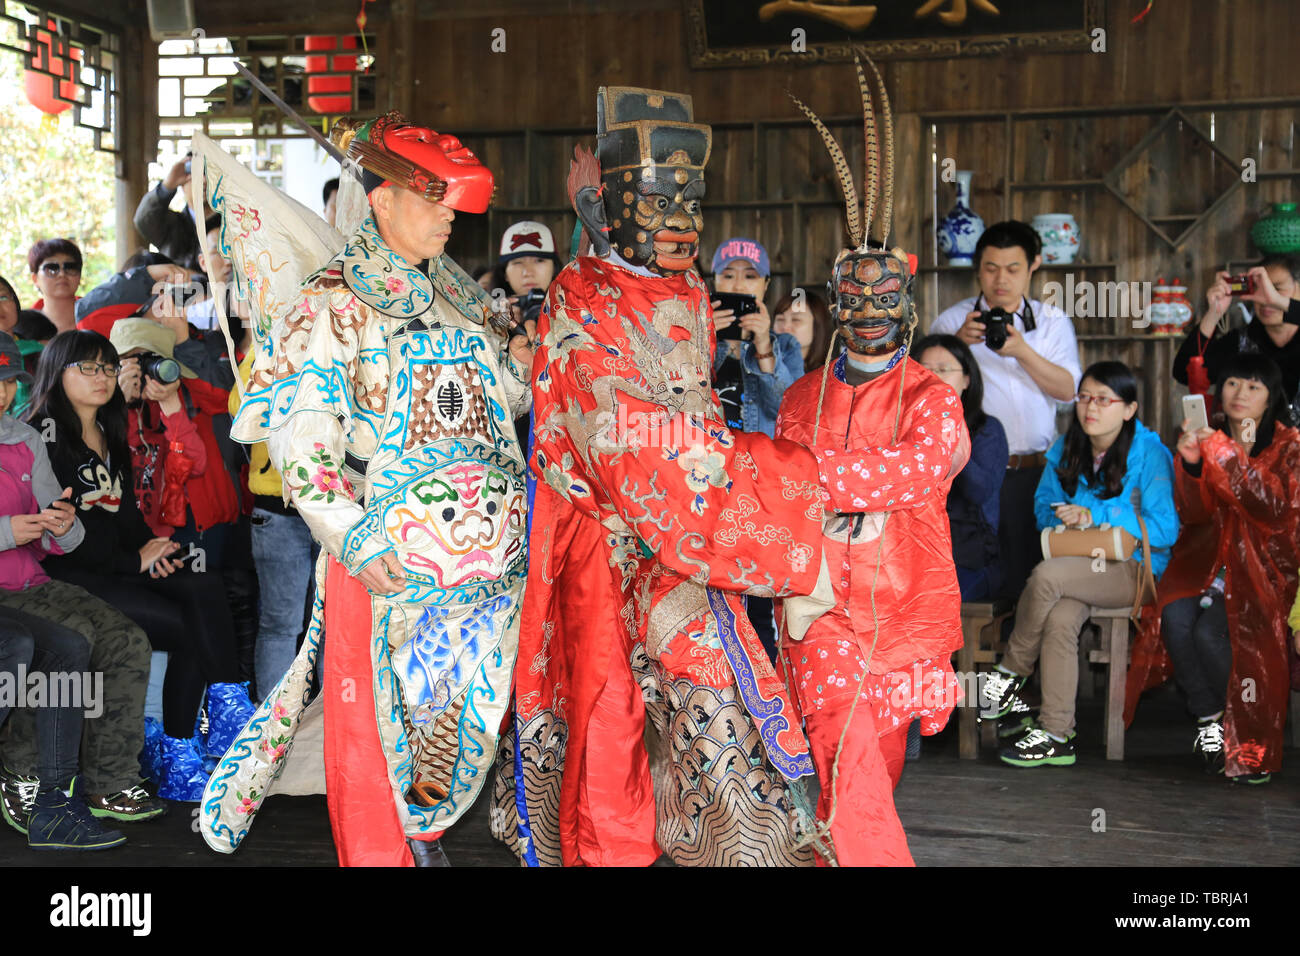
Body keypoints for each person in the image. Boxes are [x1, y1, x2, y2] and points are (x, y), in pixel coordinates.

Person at [494, 86, 910, 868]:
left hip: (690, 524)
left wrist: (740, 482)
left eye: (691, 200)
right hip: (610, 535)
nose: (681, 220)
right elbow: (622, 440)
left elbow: (691, 421)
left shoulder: (684, 287)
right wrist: (787, 481)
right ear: (613, 207)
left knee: (718, 698)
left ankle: (749, 850)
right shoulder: (580, 298)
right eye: (656, 202)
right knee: (609, 715)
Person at [199, 112, 534, 868]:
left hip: (472, 564)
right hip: (380, 551)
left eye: (454, 204)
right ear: (383, 201)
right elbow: (302, 441)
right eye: (435, 200)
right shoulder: (332, 301)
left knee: (443, 714)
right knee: (367, 718)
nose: (451, 217)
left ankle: (423, 840)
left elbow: (495, 407)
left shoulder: (456, 293)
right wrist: (350, 531)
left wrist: (518, 362)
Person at [773, 58, 967, 865]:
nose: (869, 315)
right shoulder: (799, 398)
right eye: (854, 301)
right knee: (844, 743)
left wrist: (811, 479)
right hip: (818, 607)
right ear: (832, 300)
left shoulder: (933, 397)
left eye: (885, 302)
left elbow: (923, 469)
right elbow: (770, 489)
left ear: (908, 304)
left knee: (866, 764)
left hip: (905, 609)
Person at [29, 330, 244, 798]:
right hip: (68, 576)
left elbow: (125, 515)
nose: (102, 377)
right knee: (189, 627)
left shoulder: (109, 431)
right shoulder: (42, 435)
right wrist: (135, 560)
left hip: (117, 566)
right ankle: (180, 748)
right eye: (88, 368)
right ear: (56, 371)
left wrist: (155, 550)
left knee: (200, 583)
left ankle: (226, 709)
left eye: (107, 367)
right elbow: (58, 537)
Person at [0, 331, 163, 830]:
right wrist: (9, 531)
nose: (3, 392)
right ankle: (21, 771)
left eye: (8, 381)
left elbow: (59, 536)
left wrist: (63, 526)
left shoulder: (24, 440)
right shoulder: (40, 431)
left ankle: (109, 780)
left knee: (126, 639)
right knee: (65, 644)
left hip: (31, 581)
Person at [981, 361, 1178, 765]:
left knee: (1047, 577)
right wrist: (1063, 517)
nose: (1091, 407)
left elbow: (1165, 528)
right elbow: (1043, 510)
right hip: (1077, 564)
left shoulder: (1150, 452)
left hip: (1131, 568)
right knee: (1060, 618)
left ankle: (1010, 674)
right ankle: (1056, 733)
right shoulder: (1065, 448)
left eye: (1104, 399)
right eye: (1085, 397)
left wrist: (1096, 516)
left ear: (1129, 409)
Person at [1127, 354, 1300, 784]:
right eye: (1232, 383)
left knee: (1211, 632)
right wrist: (1189, 465)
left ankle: (1249, 735)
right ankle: (1210, 718)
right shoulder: (1209, 436)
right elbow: (1194, 513)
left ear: (1271, 397)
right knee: (1175, 617)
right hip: (1208, 562)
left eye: (1254, 387)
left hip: (1265, 568)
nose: (1240, 394)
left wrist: (1222, 453)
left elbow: (1274, 506)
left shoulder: (1289, 444)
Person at [930, 220, 1082, 600]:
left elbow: (1069, 392)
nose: (1001, 280)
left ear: (1034, 265)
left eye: (1013, 269)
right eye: (991, 268)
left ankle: (1018, 660)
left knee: (1030, 579)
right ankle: (976, 659)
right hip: (971, 479)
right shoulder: (952, 322)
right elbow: (922, 396)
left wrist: (1022, 352)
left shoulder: (1051, 323)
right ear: (978, 268)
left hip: (1032, 473)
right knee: (974, 582)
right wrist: (954, 346)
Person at [915, 333, 1008, 600]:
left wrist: (947, 428)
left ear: (967, 380)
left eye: (944, 370)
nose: (933, 378)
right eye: (924, 370)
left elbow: (978, 491)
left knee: (933, 604)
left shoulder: (987, 430)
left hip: (969, 554)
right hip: (914, 550)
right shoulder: (902, 429)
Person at [1173, 256, 1300, 404]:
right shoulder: (1242, 341)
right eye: (1258, 289)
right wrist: (1214, 314)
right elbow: (1184, 373)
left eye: (1276, 288)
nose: (1266, 298)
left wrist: (1278, 301)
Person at [133, 152, 204, 272]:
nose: (203, 180)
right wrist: (166, 187)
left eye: (208, 175)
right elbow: (144, 219)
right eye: (195, 175)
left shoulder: (229, 223)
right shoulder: (171, 225)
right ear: (181, 183)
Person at [773, 287, 836, 374]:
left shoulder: (832, 375)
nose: (785, 327)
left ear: (816, 327)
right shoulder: (762, 367)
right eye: (780, 319)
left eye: (796, 320)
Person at [27, 239, 84, 334]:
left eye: (70, 267)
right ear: (35, 278)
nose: (62, 274)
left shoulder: (99, 320)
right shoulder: (22, 328)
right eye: (51, 269)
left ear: (80, 275)